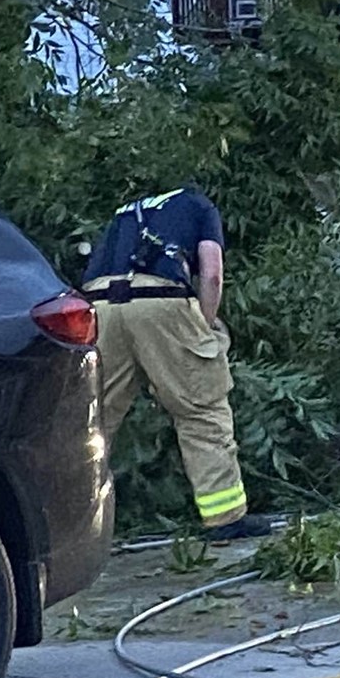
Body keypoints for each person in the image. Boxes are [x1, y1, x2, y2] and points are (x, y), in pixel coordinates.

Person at [81, 183, 266, 542]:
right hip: (161, 300)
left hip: (101, 304)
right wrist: (205, 325)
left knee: (91, 420)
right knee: (201, 410)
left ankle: (73, 529)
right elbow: (211, 273)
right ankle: (224, 519)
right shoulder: (199, 205)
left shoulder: (125, 211)